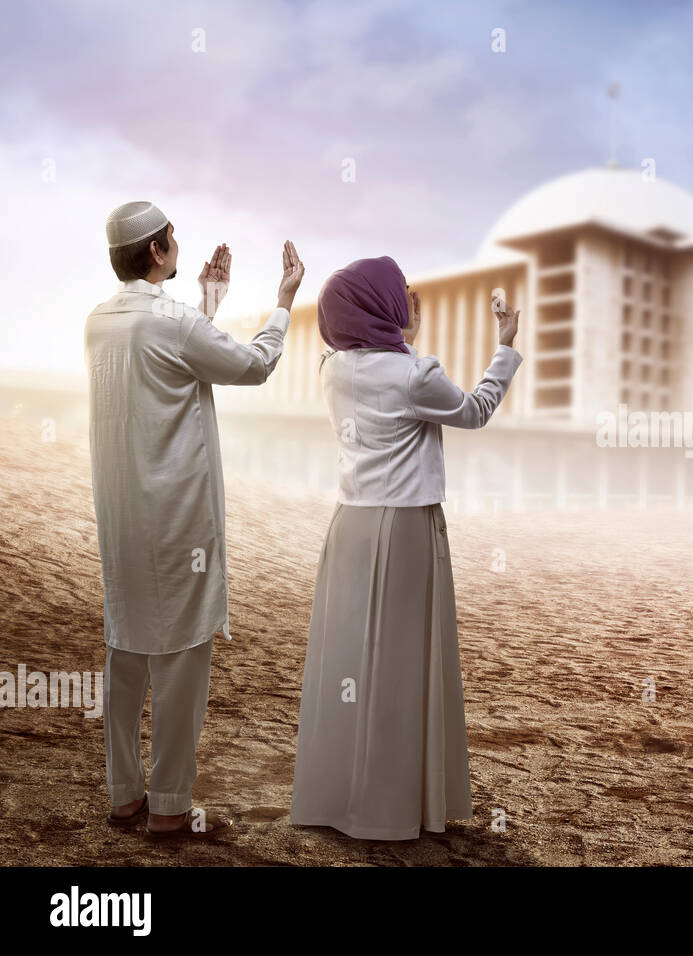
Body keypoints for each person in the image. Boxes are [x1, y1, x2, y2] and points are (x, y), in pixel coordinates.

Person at [86, 201, 305, 837]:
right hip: (177, 516)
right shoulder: (175, 323)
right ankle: (170, 805)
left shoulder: (98, 323)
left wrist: (207, 301)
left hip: (121, 512)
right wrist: (284, 301)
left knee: (125, 648)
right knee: (181, 655)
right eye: (172, 240)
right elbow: (253, 366)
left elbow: (165, 366)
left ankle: (124, 794)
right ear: (156, 252)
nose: (180, 247)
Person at [290, 256, 522, 840]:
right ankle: (389, 810)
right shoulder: (414, 374)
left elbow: (372, 360)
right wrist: (505, 346)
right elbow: (475, 410)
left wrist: (403, 338)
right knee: (398, 668)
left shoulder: (332, 369)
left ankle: (335, 801)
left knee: (349, 666)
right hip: (406, 527)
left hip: (350, 527)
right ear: (385, 309)